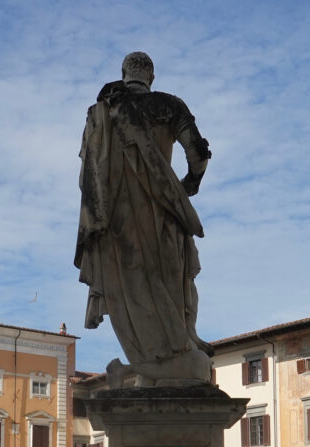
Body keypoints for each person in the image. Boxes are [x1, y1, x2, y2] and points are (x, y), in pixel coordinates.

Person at [75, 52, 214, 387]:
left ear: (124, 74)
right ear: (150, 76)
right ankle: (169, 361)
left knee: (133, 294)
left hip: (117, 225)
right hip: (163, 215)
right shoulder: (168, 105)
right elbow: (197, 153)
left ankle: (146, 371)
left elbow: (89, 178)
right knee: (174, 289)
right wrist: (189, 185)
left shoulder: (102, 113)